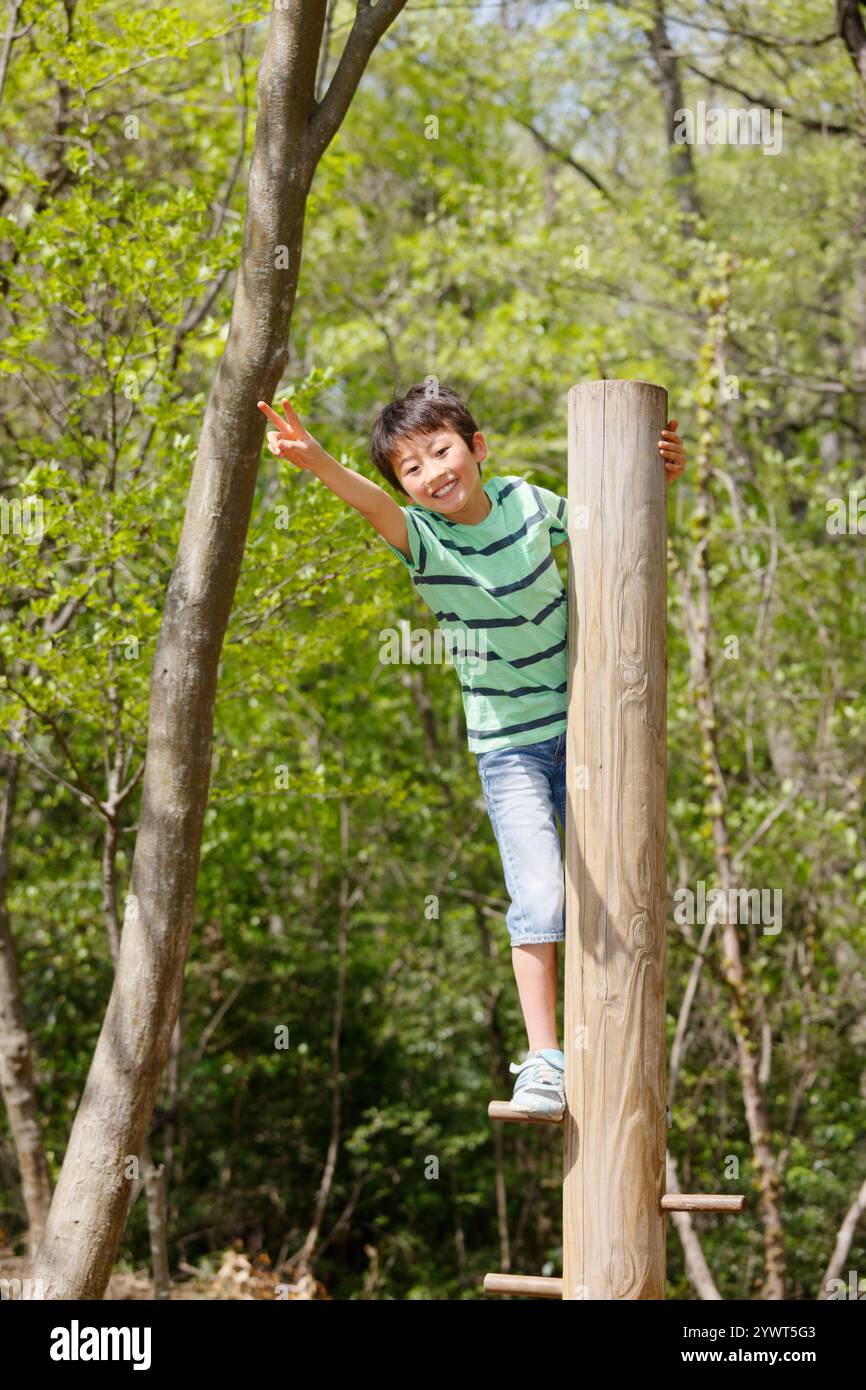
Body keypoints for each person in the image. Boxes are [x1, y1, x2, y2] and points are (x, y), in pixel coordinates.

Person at [257, 384, 686, 1117]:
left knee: (617, 892)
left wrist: (654, 479)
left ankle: (623, 1055)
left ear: (477, 447)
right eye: (411, 468)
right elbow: (371, 504)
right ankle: (544, 1062)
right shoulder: (427, 539)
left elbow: (611, 538)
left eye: (442, 451)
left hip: (590, 727)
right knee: (543, 894)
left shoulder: (529, 502)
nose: (431, 473)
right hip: (511, 748)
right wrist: (318, 459)